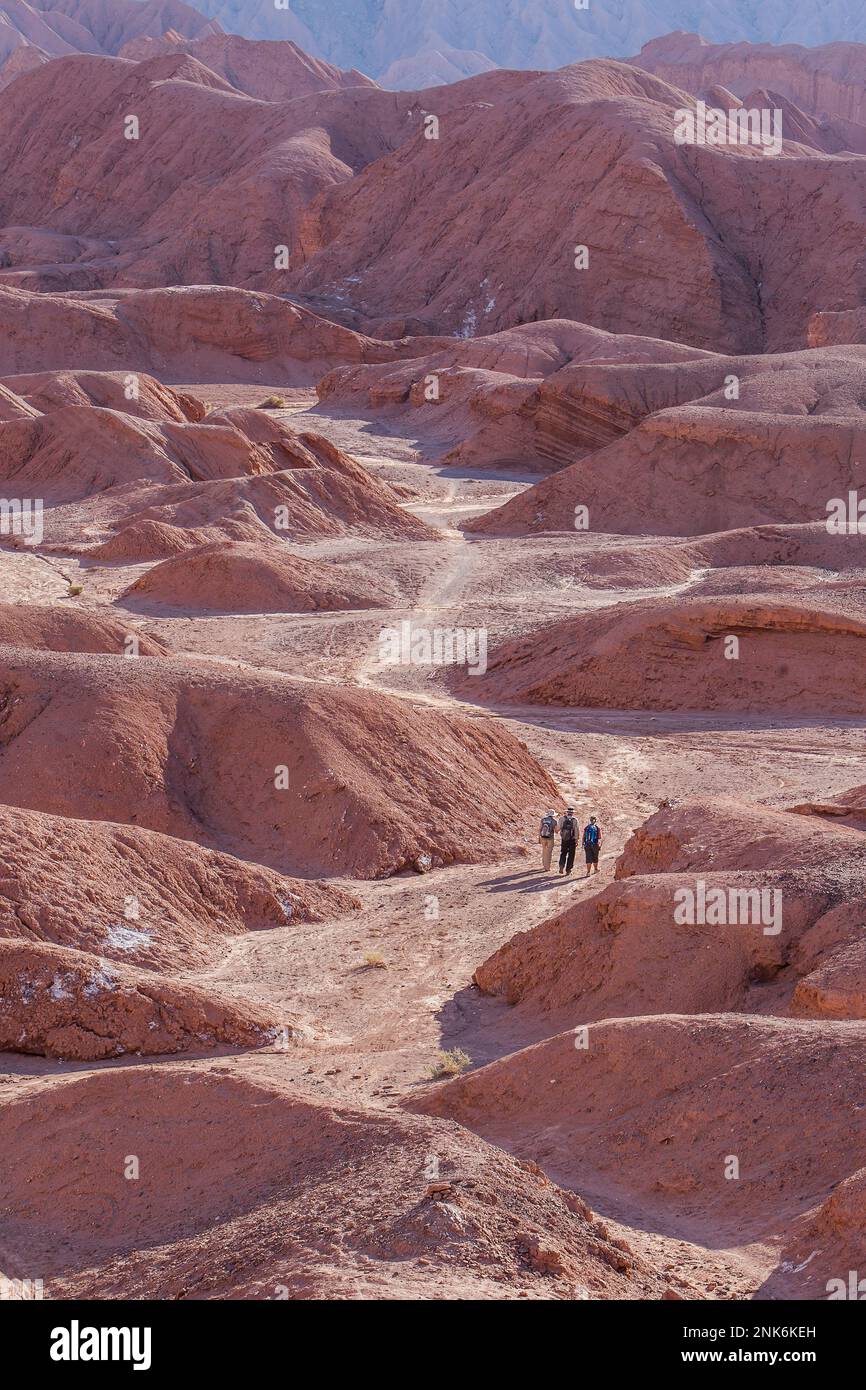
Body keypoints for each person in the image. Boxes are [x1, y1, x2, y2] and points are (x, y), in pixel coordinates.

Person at [558, 806, 578, 876]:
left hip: (564, 839)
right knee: (571, 855)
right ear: (572, 813)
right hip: (572, 839)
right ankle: (568, 870)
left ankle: (561, 866)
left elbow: (558, 828)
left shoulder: (562, 819)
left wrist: (561, 834)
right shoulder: (575, 820)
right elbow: (576, 830)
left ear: (567, 812)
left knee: (563, 852)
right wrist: (576, 839)